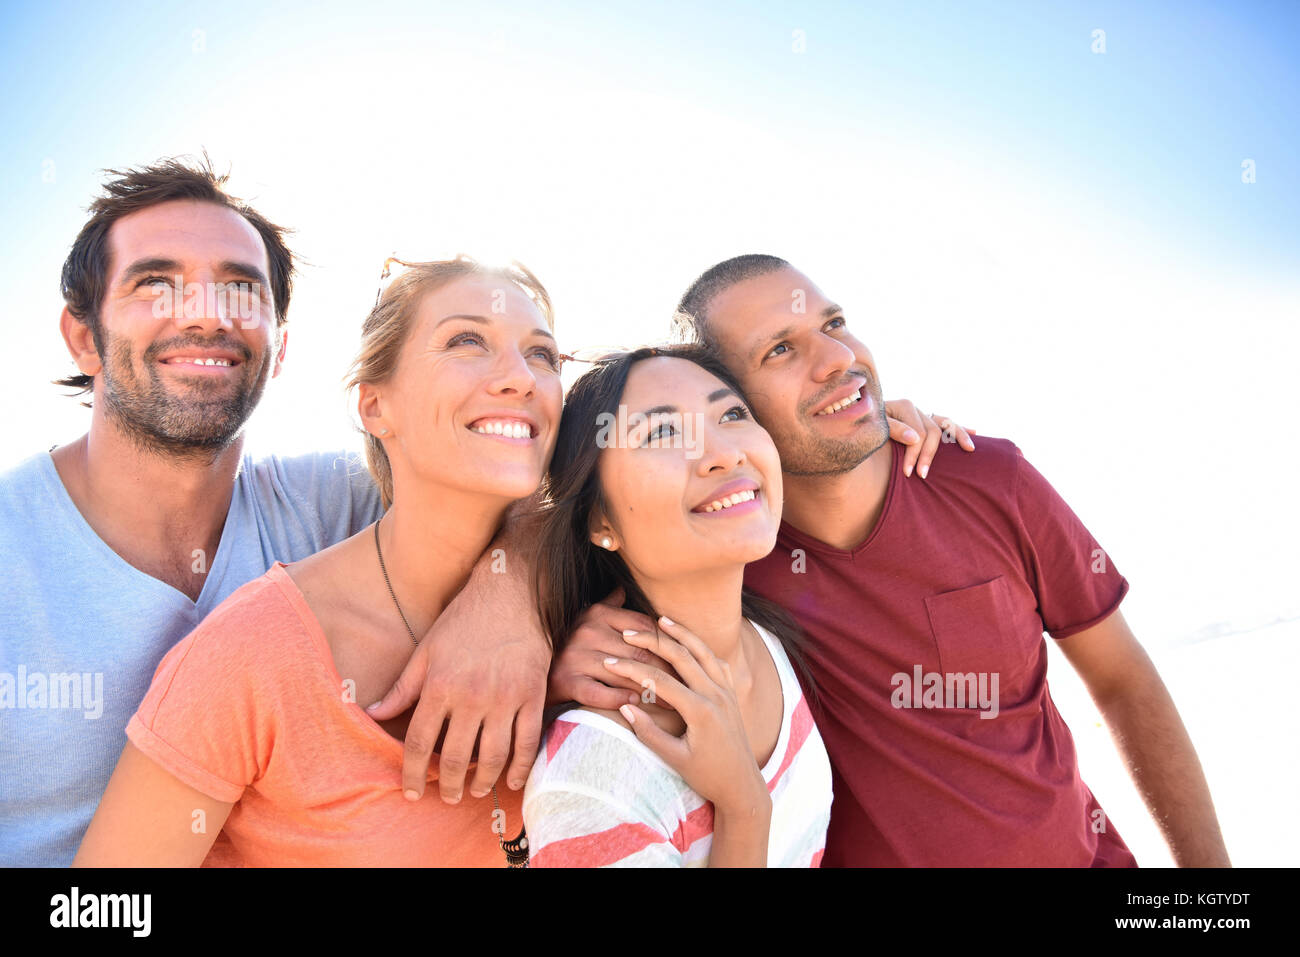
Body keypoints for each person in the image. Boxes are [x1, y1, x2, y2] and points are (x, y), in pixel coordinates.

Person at [545, 255, 1230, 866]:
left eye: (835, 322)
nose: (837, 358)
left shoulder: (989, 477)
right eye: (781, 348)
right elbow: (585, 499)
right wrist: (528, 631)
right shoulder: (729, 549)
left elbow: (1124, 679)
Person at [73, 257, 560, 866]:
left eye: (543, 354)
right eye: (466, 341)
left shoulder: (588, 609)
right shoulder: (251, 656)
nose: (521, 378)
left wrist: (519, 592)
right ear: (376, 407)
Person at [523, 345, 832, 866]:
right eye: (663, 433)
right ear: (601, 521)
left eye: (732, 414)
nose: (725, 453)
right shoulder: (593, 775)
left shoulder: (770, 641)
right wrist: (744, 807)